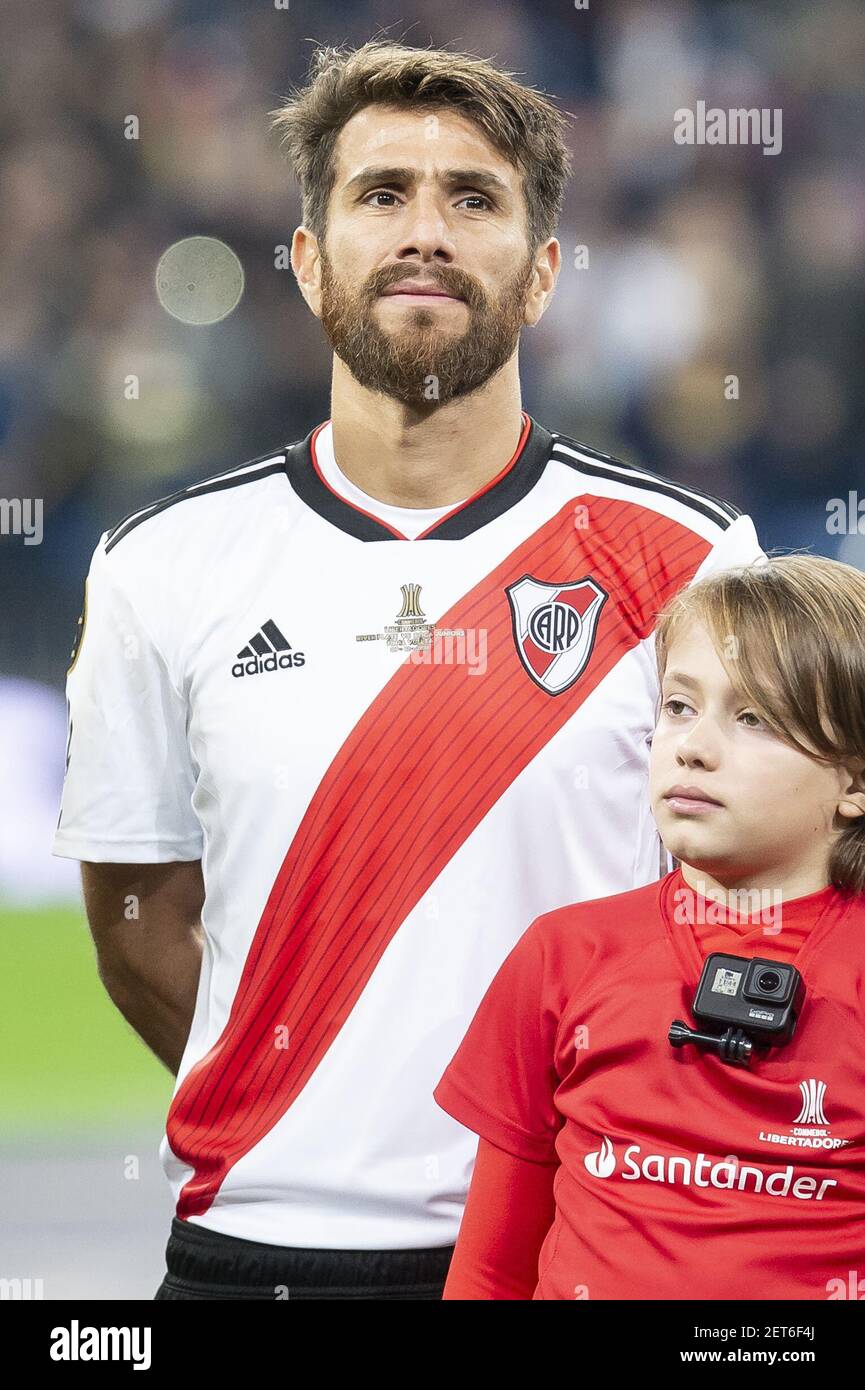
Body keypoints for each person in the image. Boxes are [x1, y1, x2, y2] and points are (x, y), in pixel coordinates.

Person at [52, 39, 762, 1301]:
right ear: (310, 260)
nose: (424, 231)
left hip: (577, 1257)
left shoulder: (692, 564)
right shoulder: (159, 567)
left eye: (472, 200)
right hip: (244, 1261)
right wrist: (305, 1106)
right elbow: (135, 921)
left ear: (543, 276)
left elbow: (764, 921)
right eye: (381, 195)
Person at [434, 553, 865, 1300]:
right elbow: (489, 1270)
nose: (691, 746)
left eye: (753, 717)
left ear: (853, 781)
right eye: (677, 706)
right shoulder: (563, 954)